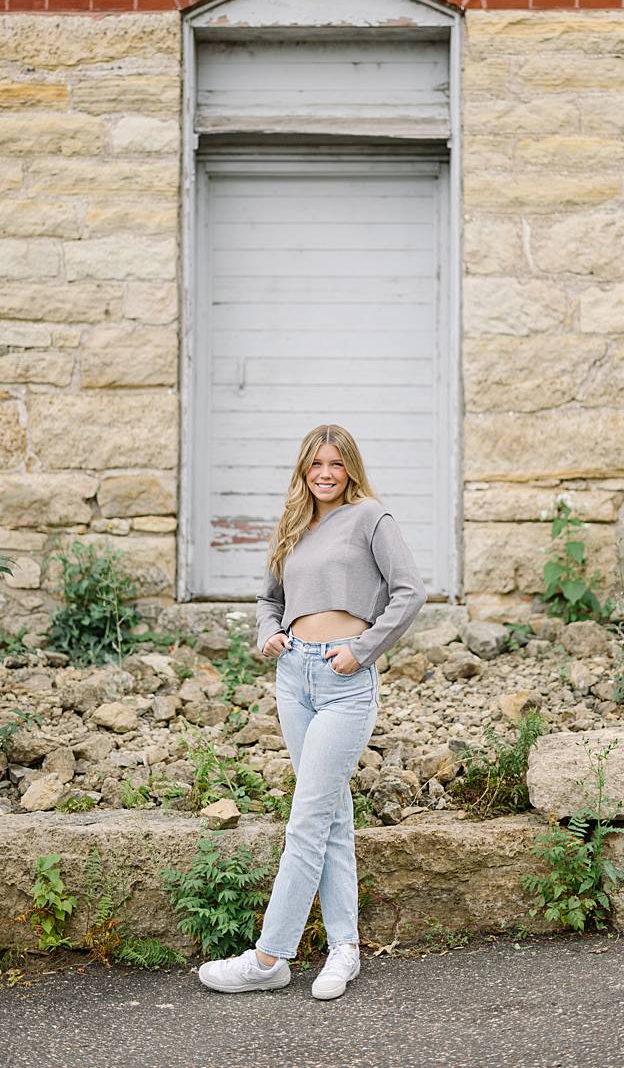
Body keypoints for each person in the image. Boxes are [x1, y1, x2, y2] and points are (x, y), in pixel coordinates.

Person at [196, 423, 424, 999]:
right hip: (292, 678)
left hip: (345, 681)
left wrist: (363, 648)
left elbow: (410, 592)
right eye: (316, 464)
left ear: (351, 469)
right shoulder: (294, 526)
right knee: (331, 816)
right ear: (304, 469)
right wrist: (269, 633)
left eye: (336, 464)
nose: (325, 473)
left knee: (306, 819)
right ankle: (344, 948)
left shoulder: (372, 518)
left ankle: (270, 957)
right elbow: (269, 599)